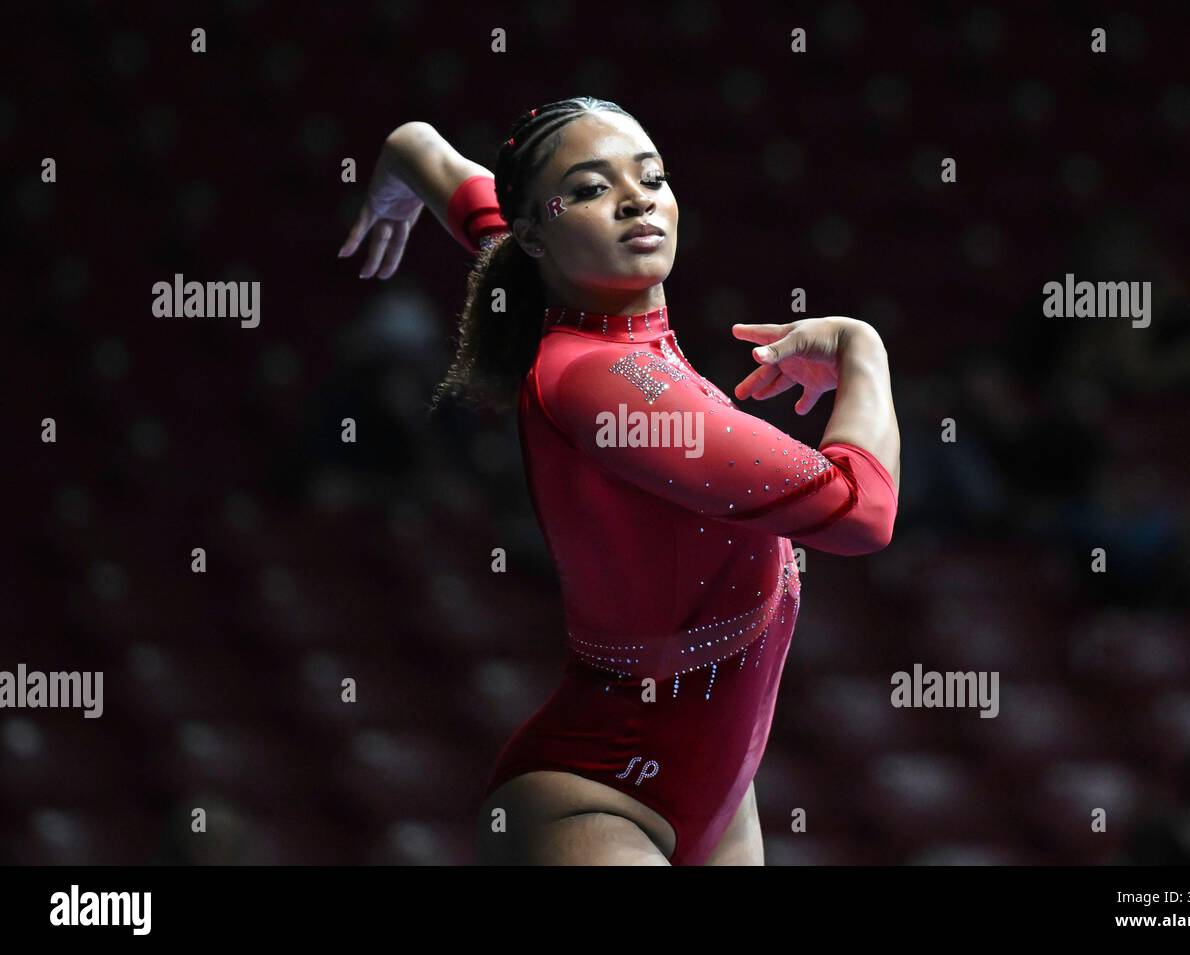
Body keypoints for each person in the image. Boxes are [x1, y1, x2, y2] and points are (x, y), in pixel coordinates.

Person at [338, 96, 901, 865]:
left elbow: (466, 193)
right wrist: (860, 350)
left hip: (723, 803)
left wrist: (409, 155)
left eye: (651, 176)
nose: (636, 197)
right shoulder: (602, 379)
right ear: (538, 230)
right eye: (594, 187)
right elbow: (860, 509)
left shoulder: (549, 273)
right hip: (594, 798)